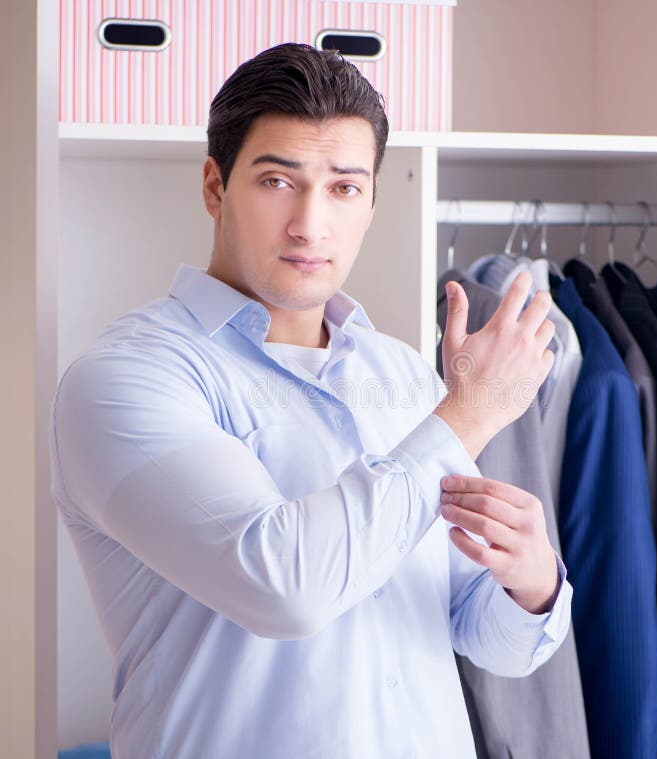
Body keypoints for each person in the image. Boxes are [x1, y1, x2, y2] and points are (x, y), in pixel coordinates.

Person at [50, 43, 571, 758]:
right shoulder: (125, 379)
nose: (310, 223)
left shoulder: (409, 378)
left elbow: (481, 637)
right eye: (277, 180)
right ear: (214, 185)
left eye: (345, 188)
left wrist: (531, 584)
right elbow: (283, 586)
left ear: (371, 204)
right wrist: (470, 415)